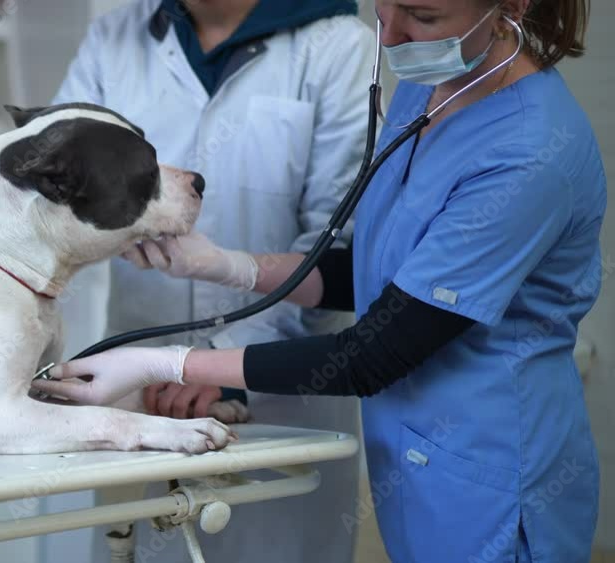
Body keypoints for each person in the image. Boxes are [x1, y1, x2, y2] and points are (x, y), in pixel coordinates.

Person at [36, 0, 605, 562]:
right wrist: (230, 265)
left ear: (511, 7)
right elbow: (374, 271)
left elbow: (378, 350)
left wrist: (169, 363)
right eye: (385, 9)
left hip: (490, 467)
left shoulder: (529, 153)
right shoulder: (424, 90)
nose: (389, 38)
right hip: (414, 456)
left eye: (423, 17)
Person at [49, 0, 373, 561]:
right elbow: (48, 177)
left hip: (281, 396)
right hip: (140, 388)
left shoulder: (339, 43)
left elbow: (338, 247)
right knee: (138, 541)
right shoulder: (115, 39)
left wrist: (226, 366)